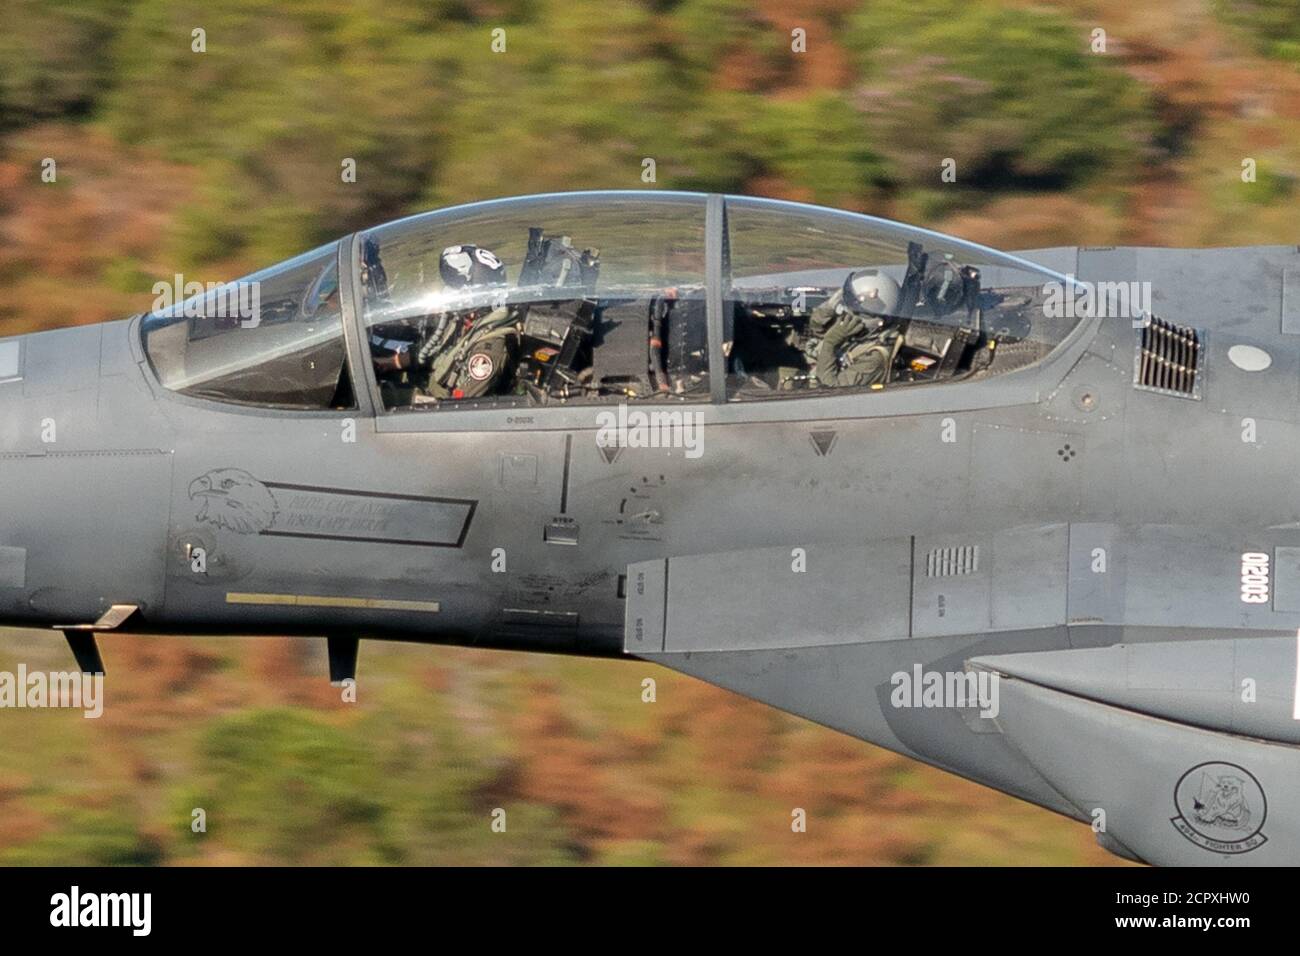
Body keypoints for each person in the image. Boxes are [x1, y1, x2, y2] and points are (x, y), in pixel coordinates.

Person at [811, 270, 905, 389]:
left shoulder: (875, 359)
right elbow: (816, 328)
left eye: (852, 309)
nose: (844, 311)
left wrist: (830, 343)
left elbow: (830, 388)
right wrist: (829, 307)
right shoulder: (858, 333)